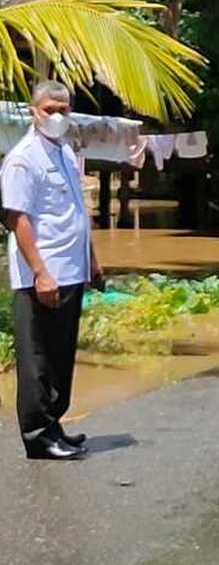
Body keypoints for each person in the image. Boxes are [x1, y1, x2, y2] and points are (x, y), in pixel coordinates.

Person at [1, 80, 103, 460]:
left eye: (63, 109)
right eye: (49, 109)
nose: (57, 116)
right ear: (34, 111)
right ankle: (38, 435)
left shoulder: (62, 151)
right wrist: (41, 272)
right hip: (41, 274)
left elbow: (75, 211)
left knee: (60, 355)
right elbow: (19, 219)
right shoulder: (23, 158)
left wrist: (90, 256)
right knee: (38, 358)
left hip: (70, 268)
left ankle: (54, 424)